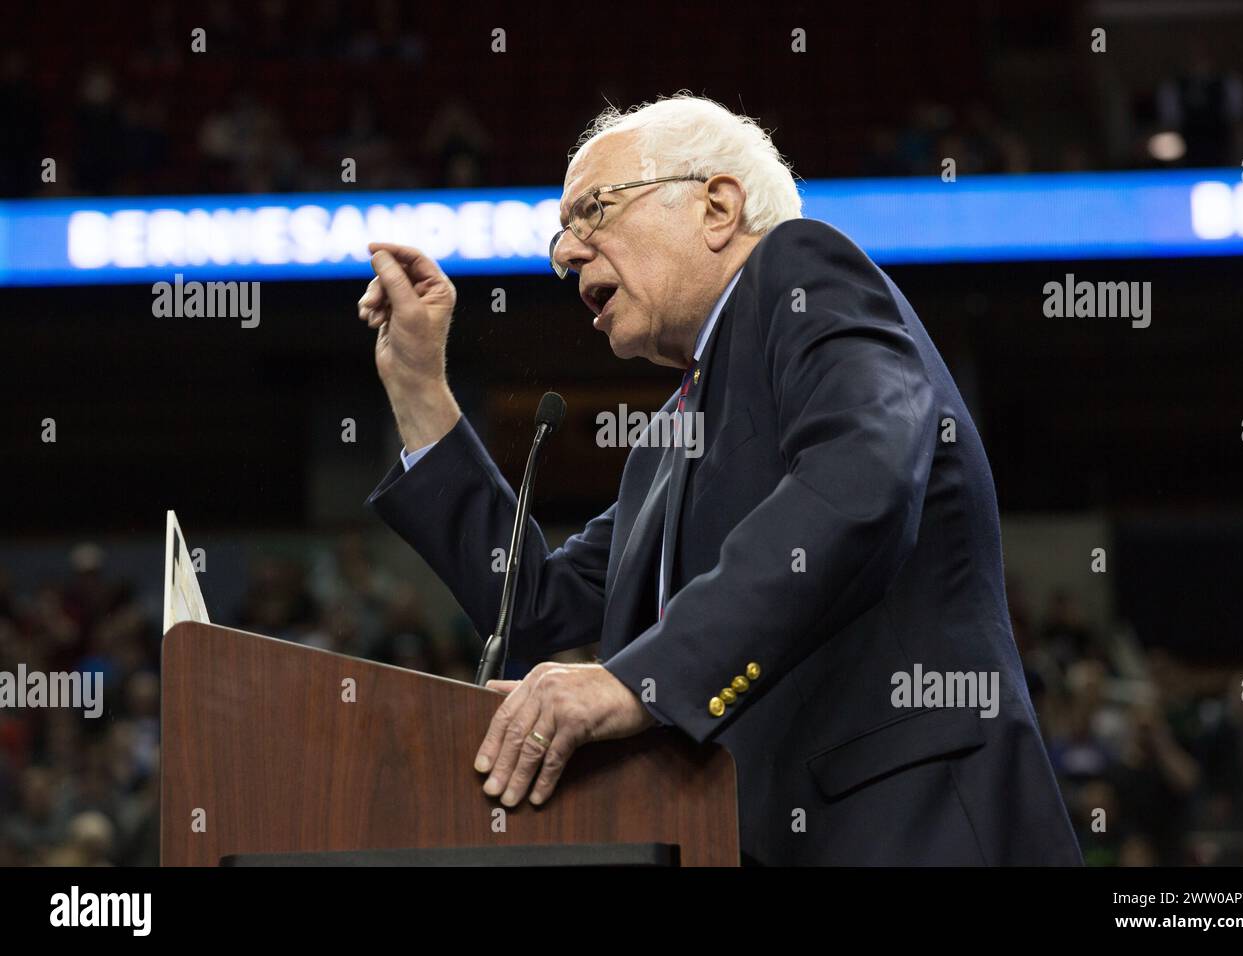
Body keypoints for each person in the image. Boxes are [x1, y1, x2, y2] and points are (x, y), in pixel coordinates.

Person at [357, 94, 1080, 865]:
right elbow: (538, 606)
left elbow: (860, 480)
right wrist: (418, 388)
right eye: (561, 235)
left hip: (913, 827)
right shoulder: (670, 436)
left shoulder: (803, 272)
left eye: (593, 210)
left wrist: (639, 682)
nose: (567, 254)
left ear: (717, 206)